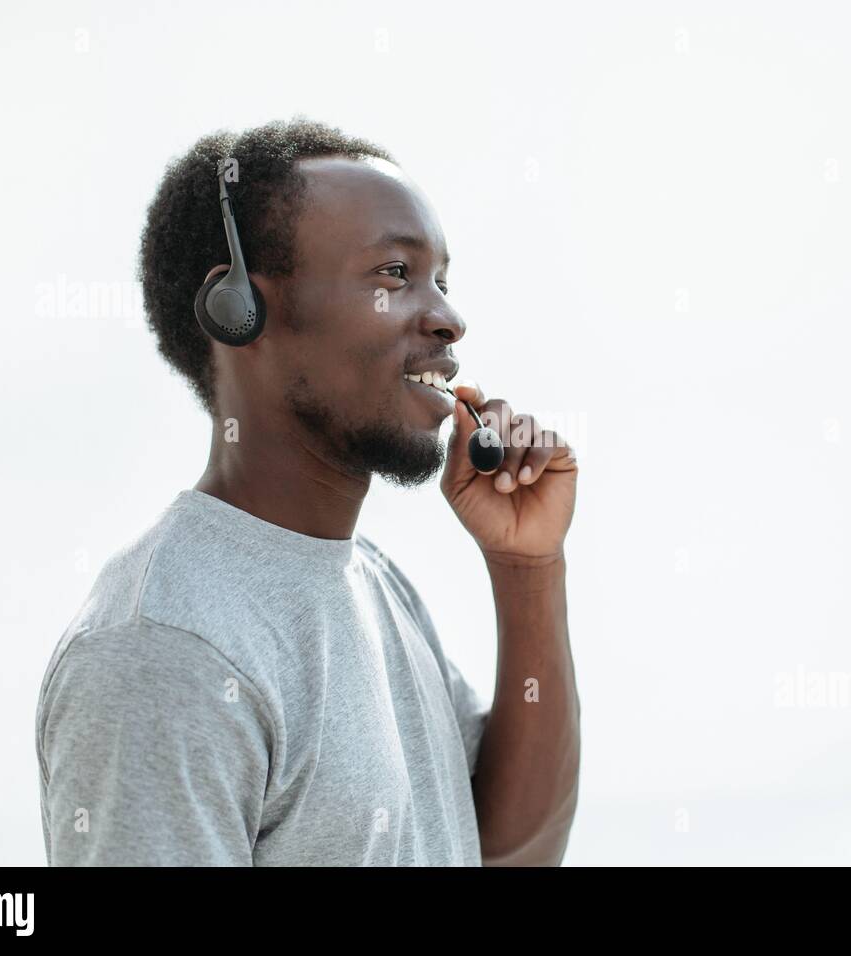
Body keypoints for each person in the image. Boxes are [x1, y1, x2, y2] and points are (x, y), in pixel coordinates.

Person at [35, 117, 581, 866]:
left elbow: (511, 854)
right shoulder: (166, 650)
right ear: (242, 311)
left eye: (441, 281)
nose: (448, 318)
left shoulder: (376, 586)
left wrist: (527, 571)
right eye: (395, 274)